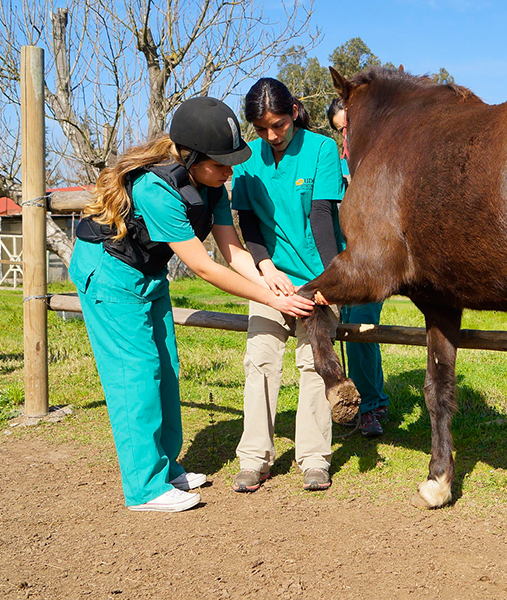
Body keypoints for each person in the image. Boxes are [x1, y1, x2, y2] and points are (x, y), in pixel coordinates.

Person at [71, 97, 315, 513]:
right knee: (136, 374)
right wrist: (273, 299)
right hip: (110, 276)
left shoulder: (212, 183)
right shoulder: (156, 188)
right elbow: (203, 268)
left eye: (230, 162)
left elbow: (232, 250)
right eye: (220, 163)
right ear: (191, 157)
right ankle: (144, 488)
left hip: (148, 275)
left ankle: (165, 468)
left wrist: (270, 276)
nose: (229, 171)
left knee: (166, 368)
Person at [230, 78, 345, 493]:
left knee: (313, 362)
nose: (271, 136)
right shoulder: (246, 160)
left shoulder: (321, 149)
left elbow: (321, 219)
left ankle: (315, 458)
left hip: (319, 278)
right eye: (261, 129)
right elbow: (249, 224)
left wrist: (330, 280)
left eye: (277, 125)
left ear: (294, 111)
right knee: (259, 358)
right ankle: (254, 458)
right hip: (270, 279)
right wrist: (264, 269)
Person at [326, 97, 390, 438]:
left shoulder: (382, 161)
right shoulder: (334, 164)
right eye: (341, 130)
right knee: (356, 331)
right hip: (340, 258)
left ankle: (367, 407)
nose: (346, 135)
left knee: (359, 328)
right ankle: (375, 400)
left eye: (349, 126)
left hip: (371, 261)